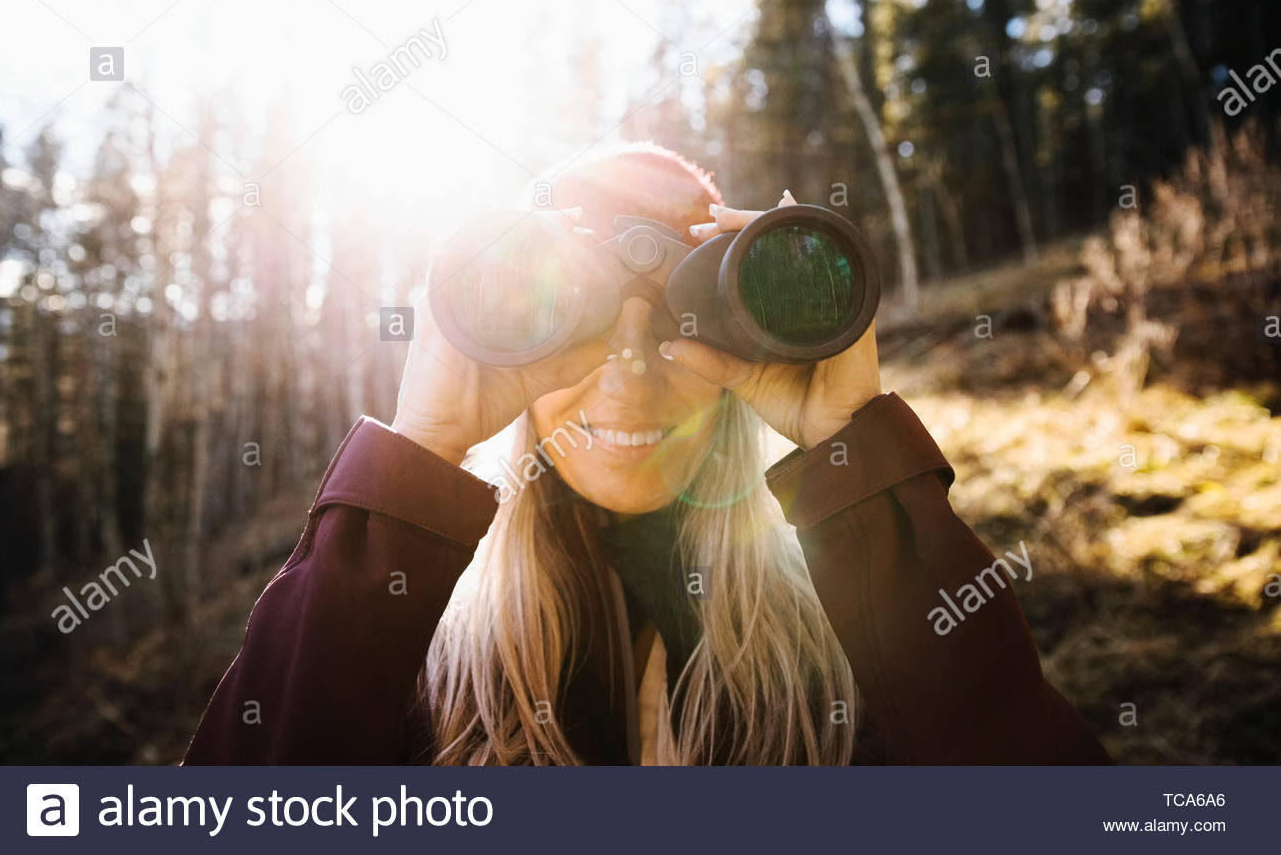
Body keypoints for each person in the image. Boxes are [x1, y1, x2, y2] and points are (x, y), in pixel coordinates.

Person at [183, 142, 1109, 765]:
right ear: (505, 339)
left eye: (677, 323)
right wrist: (421, 452)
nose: (627, 380)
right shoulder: (409, 646)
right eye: (577, 329)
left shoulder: (856, 650)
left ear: (746, 349)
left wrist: (852, 457)